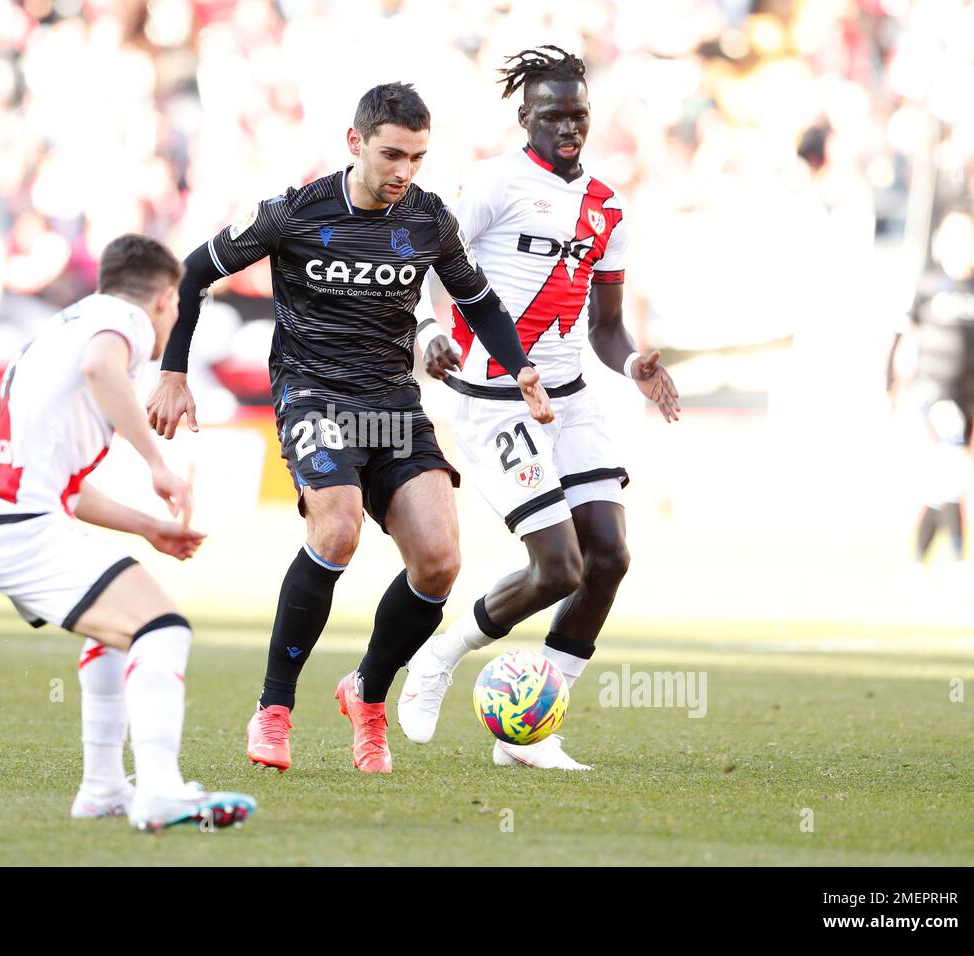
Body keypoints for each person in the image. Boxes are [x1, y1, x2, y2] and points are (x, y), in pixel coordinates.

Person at [148, 82, 550, 774]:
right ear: (354, 143)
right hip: (314, 396)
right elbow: (191, 274)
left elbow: (477, 301)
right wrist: (174, 371)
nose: (403, 172)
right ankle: (274, 708)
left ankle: (367, 693)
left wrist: (520, 368)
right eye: (392, 154)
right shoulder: (292, 213)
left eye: (417, 158)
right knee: (336, 528)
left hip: (392, 405)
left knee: (440, 563)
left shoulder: (429, 220)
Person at [399, 46, 679, 770]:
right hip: (493, 404)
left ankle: (529, 733)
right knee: (558, 568)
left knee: (610, 558)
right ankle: (438, 658)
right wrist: (431, 331)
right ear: (525, 116)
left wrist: (633, 363)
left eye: (578, 113)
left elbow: (606, 326)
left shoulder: (609, 208)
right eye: (552, 114)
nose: (568, 126)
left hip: (572, 400)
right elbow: (428, 263)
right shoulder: (494, 182)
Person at [0, 234, 255, 831]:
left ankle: (104, 788)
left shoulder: (69, 325)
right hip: (15, 526)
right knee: (162, 630)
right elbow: (100, 367)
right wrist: (156, 463)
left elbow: (66, 483)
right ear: (167, 298)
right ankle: (160, 790)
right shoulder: (125, 320)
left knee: (121, 632)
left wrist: (148, 528)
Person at [889, 206, 974, 569]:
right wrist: (890, 387)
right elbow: (903, 337)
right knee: (953, 469)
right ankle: (959, 559)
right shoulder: (927, 281)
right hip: (932, 390)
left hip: (967, 394)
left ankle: (917, 560)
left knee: (949, 479)